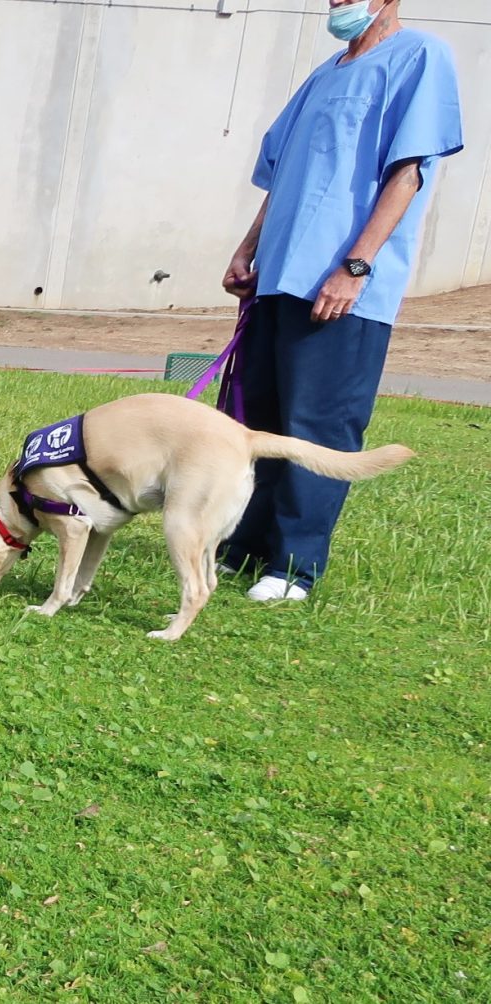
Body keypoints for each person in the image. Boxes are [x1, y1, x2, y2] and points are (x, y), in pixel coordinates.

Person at [217, 0, 462, 603]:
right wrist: (250, 247)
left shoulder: (420, 56)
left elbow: (409, 172)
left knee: (318, 421)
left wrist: (356, 266)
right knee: (259, 419)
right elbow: (284, 175)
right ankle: (245, 546)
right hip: (279, 275)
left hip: (342, 282)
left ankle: (293, 566)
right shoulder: (326, 71)